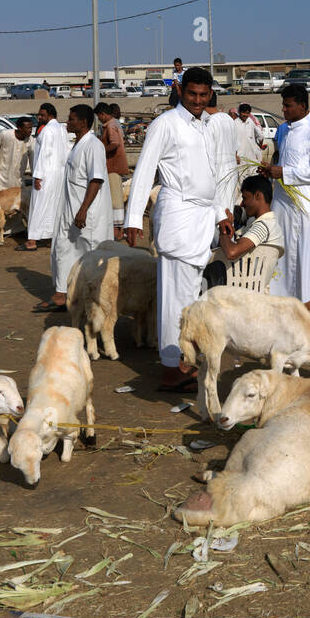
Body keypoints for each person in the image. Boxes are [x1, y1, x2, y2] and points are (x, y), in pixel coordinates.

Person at [123, 67, 231, 391]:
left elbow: (208, 179)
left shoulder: (206, 126)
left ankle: (183, 361)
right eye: (192, 94)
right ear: (181, 90)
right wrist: (132, 219)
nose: (197, 101)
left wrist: (220, 213)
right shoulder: (165, 124)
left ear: (210, 93)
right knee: (174, 300)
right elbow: (144, 171)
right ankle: (171, 368)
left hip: (201, 221)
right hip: (177, 218)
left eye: (203, 95)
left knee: (189, 298)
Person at [36, 105, 113, 312]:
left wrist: (83, 210)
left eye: (71, 119)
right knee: (63, 247)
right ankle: (63, 293)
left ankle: (92, 298)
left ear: (83, 123)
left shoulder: (93, 145)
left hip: (86, 211)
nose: (67, 123)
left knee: (90, 253)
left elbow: (96, 179)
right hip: (70, 208)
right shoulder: (77, 145)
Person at [259, 84, 310, 300]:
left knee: (304, 261)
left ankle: (307, 304)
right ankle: (284, 303)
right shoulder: (287, 131)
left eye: (288, 105)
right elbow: (286, 164)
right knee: (283, 254)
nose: (284, 110)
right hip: (284, 206)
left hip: (304, 208)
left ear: (302, 106)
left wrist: (285, 173)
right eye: (283, 105)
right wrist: (272, 172)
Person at [22, 103, 67, 251]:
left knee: (39, 205)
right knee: (53, 206)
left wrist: (38, 176)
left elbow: (44, 154)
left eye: (42, 115)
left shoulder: (48, 130)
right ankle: (50, 238)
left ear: (50, 114)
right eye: (39, 115)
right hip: (58, 174)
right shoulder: (61, 129)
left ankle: (32, 241)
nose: (39, 117)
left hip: (46, 173)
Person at [216, 174, 284, 262]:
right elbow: (240, 214)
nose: (243, 203)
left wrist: (223, 229)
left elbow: (231, 253)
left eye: (245, 198)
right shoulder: (258, 220)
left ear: (258, 196)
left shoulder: (264, 226)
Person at [94, 104, 130, 239]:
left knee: (115, 199)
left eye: (99, 116)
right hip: (113, 165)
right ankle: (118, 230)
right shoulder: (114, 124)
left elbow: (114, 144)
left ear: (103, 114)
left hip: (113, 165)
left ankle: (118, 232)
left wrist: (100, 150)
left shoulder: (110, 126)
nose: (99, 119)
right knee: (116, 197)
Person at [204, 92, 241, 213]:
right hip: (230, 173)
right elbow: (236, 148)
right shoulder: (228, 119)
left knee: (217, 214)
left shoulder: (209, 122)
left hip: (217, 175)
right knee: (227, 209)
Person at [0, 116, 34, 191]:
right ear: (19, 128)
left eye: (31, 128)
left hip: (17, 179)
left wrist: (35, 175)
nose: (30, 130)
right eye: (27, 128)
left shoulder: (30, 140)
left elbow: (33, 159)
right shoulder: (5, 135)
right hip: (0, 177)